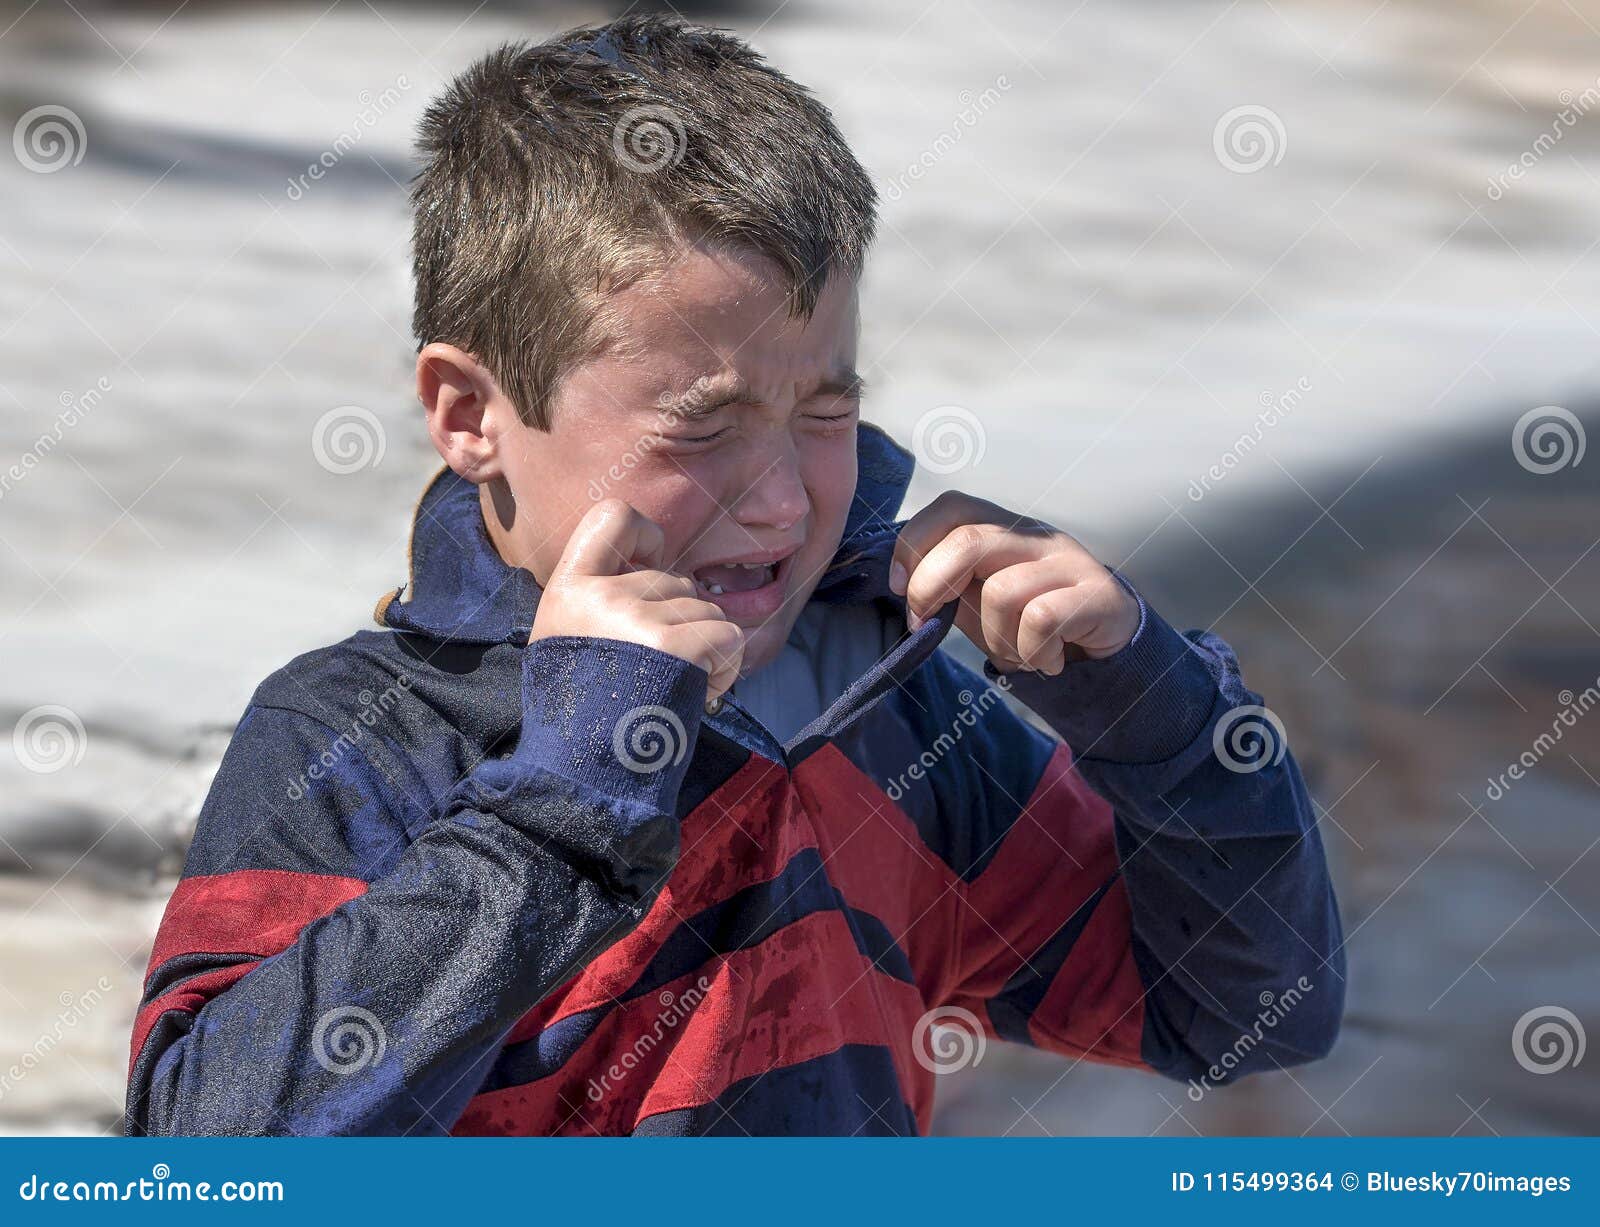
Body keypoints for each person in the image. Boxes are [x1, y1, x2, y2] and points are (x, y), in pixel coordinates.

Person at [125, 14, 1343, 1136]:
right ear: (469, 412)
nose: (778, 501)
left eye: (823, 411)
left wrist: (1157, 712)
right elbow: (203, 1158)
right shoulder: (357, 738)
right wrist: (572, 798)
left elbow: (1240, 1014)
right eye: (700, 426)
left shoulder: (885, 703)